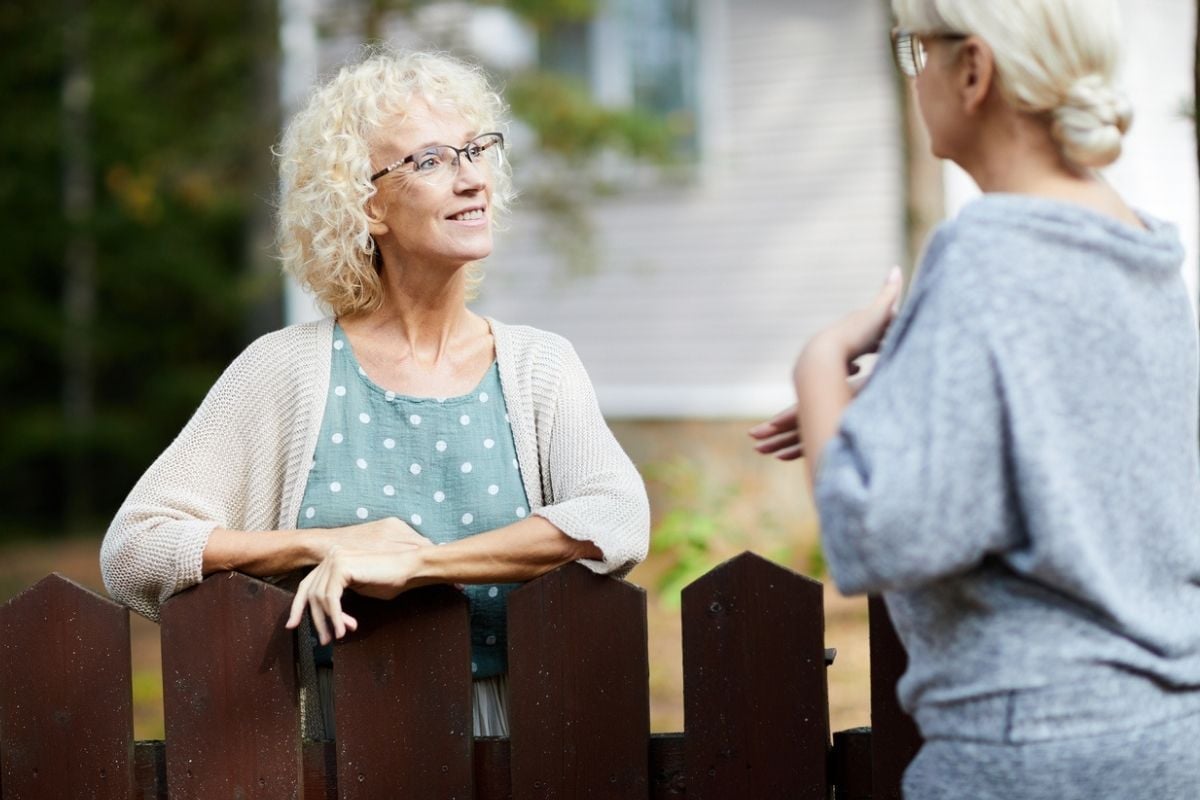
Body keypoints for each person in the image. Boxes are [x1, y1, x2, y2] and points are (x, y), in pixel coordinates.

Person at [100, 48, 650, 739]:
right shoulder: (283, 369)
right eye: (430, 161)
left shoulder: (540, 365)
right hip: (336, 733)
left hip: (525, 731)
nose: (471, 179)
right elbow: (134, 550)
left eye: (476, 151)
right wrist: (322, 545)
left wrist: (419, 563)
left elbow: (617, 517)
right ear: (366, 205)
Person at [751, 1, 1200, 797]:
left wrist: (820, 366)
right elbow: (1077, 427)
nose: (913, 73)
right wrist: (904, 383)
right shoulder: (1139, 246)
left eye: (913, 49)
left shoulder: (984, 249)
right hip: (1169, 743)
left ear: (973, 69)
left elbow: (877, 535)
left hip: (1029, 754)